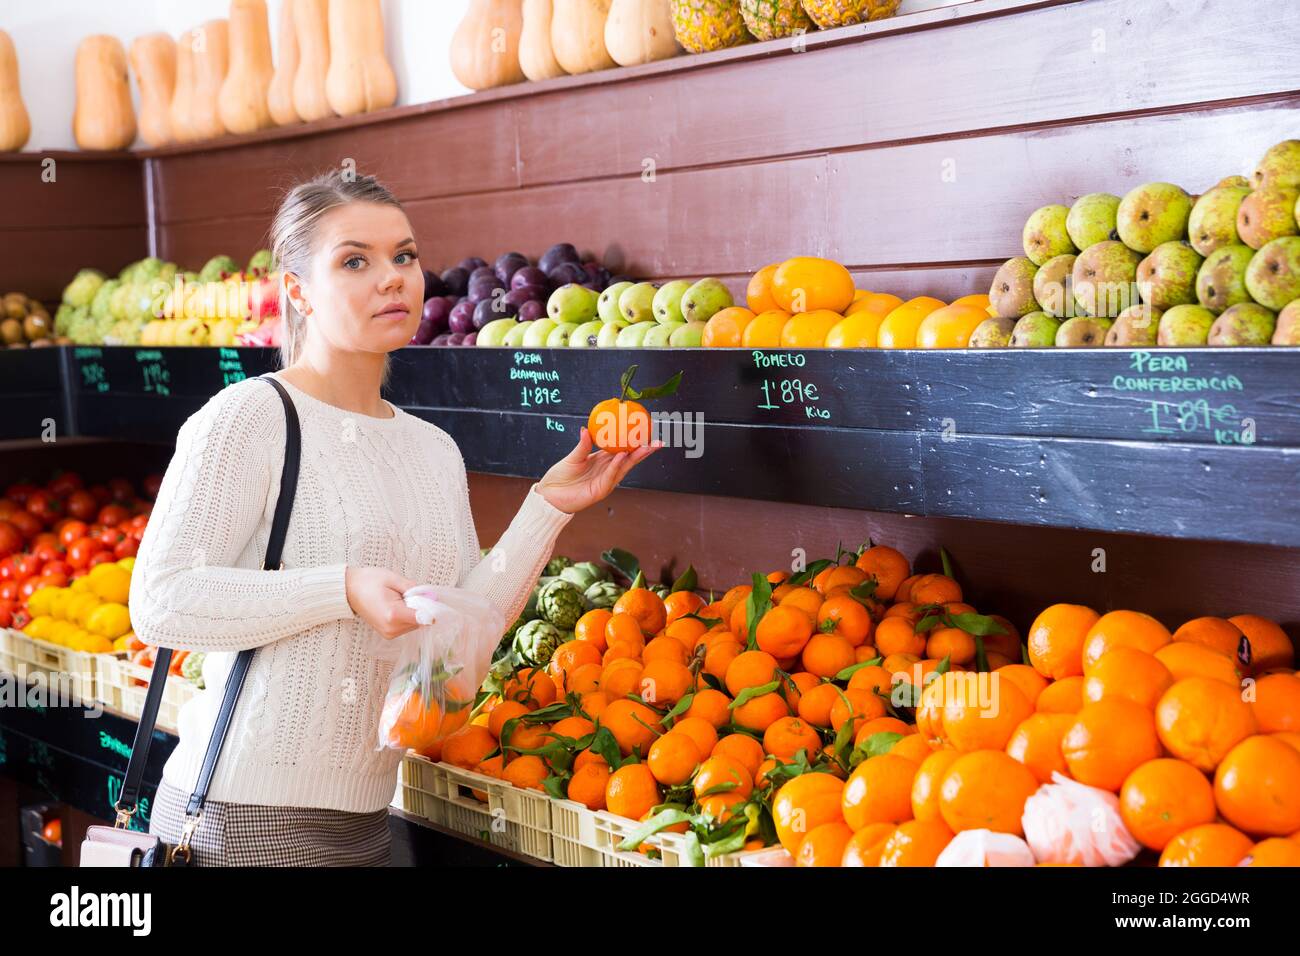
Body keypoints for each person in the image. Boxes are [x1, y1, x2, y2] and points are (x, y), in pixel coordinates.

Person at [134, 170, 657, 866]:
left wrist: (547, 508)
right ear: (296, 290)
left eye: (404, 256)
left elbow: (465, 620)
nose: (393, 279)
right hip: (241, 819)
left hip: (368, 823)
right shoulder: (250, 417)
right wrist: (341, 589)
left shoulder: (431, 448)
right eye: (356, 260)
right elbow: (161, 602)